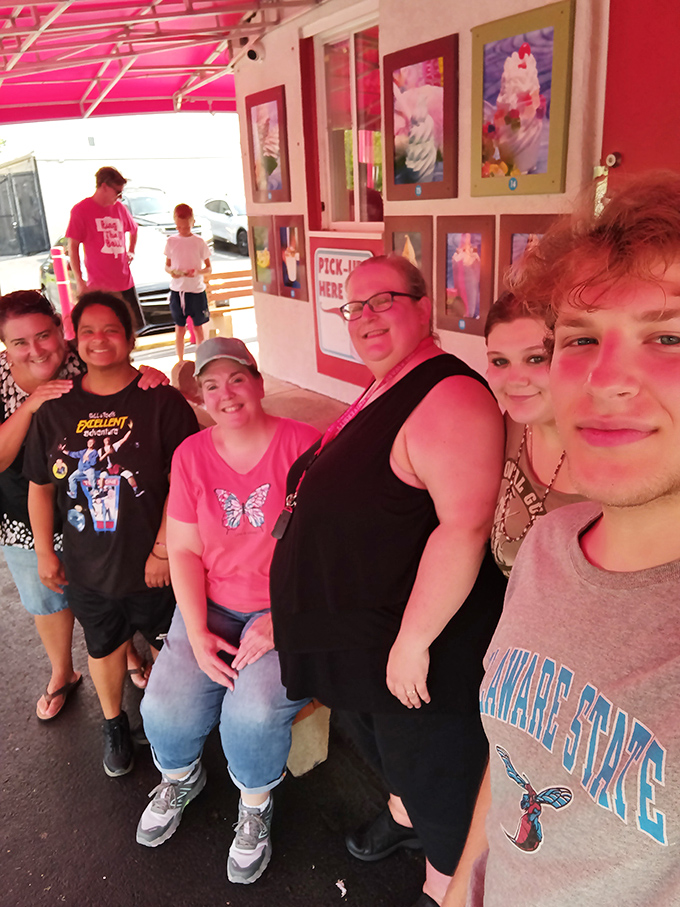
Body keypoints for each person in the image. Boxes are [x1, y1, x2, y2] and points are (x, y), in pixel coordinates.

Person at [443, 171, 680, 907]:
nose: (606, 376)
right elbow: (517, 752)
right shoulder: (550, 544)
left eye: (669, 334)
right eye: (580, 337)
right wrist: (459, 886)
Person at [269, 255, 507, 907]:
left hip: (416, 643)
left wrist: (414, 639)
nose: (366, 318)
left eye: (384, 301)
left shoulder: (449, 394)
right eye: (354, 306)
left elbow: (464, 525)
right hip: (367, 633)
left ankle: (444, 882)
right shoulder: (387, 382)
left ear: (425, 306)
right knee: (386, 748)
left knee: (438, 778)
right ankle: (404, 817)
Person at [136, 337, 320, 885]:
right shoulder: (191, 454)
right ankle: (180, 776)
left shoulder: (306, 445)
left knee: (253, 714)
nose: (226, 394)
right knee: (165, 706)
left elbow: (328, 551)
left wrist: (285, 619)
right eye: (211, 385)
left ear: (258, 382)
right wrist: (194, 633)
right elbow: (186, 550)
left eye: (236, 379)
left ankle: (255, 802)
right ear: (200, 395)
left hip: (286, 611)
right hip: (213, 605)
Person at [25, 291, 198, 776]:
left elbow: (187, 482)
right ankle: (113, 722)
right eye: (88, 331)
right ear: (74, 339)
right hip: (87, 565)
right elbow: (40, 488)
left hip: (155, 565)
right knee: (101, 645)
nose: (99, 340)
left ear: (130, 335)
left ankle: (169, 718)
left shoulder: (160, 400)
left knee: (169, 644)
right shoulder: (56, 406)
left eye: (111, 329)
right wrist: (45, 553)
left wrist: (164, 549)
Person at [0, 289, 165, 720]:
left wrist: (150, 376)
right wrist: (33, 405)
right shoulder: (5, 381)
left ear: (60, 331)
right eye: (19, 342)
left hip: (94, 507)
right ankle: (62, 673)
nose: (35, 349)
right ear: (5, 346)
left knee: (108, 591)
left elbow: (125, 379)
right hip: (23, 508)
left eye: (44, 336)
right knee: (48, 598)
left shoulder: (87, 357)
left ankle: (125, 654)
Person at [484, 292, 584, 577]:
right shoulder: (510, 423)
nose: (515, 381)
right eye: (500, 361)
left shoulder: (609, 459)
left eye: (535, 358)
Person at [66, 166, 143, 330]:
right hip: (99, 285)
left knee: (131, 328)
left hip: (124, 281)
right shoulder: (81, 210)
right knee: (107, 327)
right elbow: (72, 247)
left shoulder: (120, 208)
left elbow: (134, 229)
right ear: (104, 187)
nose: (119, 197)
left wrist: (131, 250)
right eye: (117, 192)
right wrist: (80, 281)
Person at [164, 203, 212, 361]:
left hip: (196, 290)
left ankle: (201, 359)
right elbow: (167, 265)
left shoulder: (199, 242)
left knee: (198, 327)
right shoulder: (171, 241)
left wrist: (197, 272)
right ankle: (180, 360)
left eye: (185, 227)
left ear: (192, 222)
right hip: (178, 290)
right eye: (179, 227)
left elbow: (209, 268)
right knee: (179, 327)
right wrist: (172, 272)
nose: (182, 230)